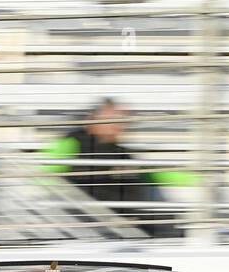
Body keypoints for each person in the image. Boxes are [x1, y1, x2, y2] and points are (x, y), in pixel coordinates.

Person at [42, 99, 197, 236]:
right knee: (169, 229)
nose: (120, 126)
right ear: (93, 120)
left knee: (173, 225)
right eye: (114, 120)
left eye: (123, 121)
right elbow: (45, 175)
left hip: (124, 219)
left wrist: (195, 180)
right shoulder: (72, 143)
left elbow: (147, 173)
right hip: (90, 221)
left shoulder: (119, 151)